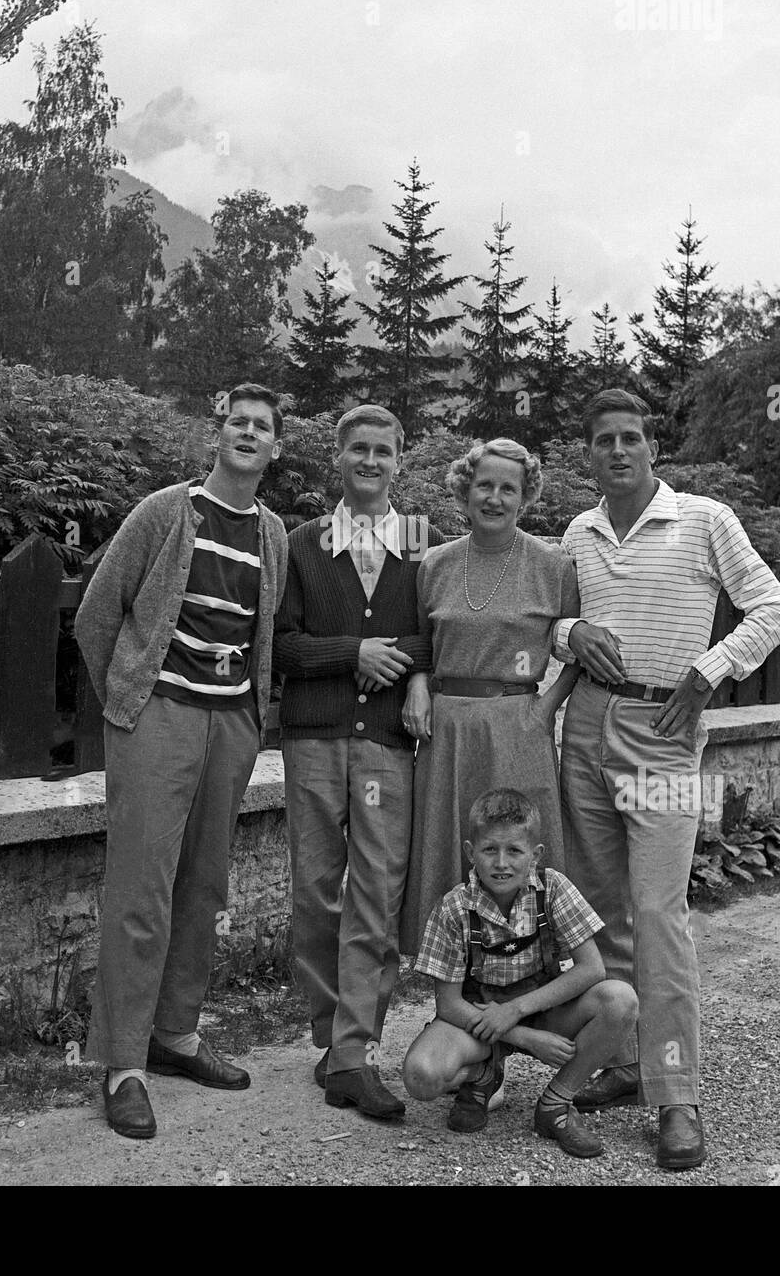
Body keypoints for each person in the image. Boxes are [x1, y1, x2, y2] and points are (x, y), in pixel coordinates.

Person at [555, 388, 780, 1170]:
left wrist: (711, 670)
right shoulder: (579, 533)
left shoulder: (703, 519)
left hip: (663, 734)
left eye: (631, 438)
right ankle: (622, 1061)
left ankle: (677, 1092)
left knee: (658, 912)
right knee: (600, 915)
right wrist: (570, 632)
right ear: (587, 454)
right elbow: (549, 624)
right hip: (585, 728)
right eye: (603, 441)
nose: (618, 451)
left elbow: (773, 607)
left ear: (652, 447)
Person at [74, 384, 289, 1139]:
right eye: (238, 421)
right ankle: (123, 1063)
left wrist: (250, 714)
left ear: (275, 448)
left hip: (231, 722)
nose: (248, 433)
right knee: (141, 886)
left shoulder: (273, 533)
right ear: (218, 432)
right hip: (156, 716)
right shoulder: (166, 512)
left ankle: (175, 1035)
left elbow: (261, 635)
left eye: (263, 427)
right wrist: (129, 698)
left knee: (204, 882)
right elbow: (98, 614)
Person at [273, 405, 445, 1121]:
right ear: (336, 459)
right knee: (316, 892)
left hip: (385, 746)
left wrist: (416, 675)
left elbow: (438, 633)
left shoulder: (423, 542)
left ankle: (354, 1050)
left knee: (376, 892)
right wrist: (354, 655)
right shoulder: (301, 543)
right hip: (314, 740)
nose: (370, 461)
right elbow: (280, 645)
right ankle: (330, 1037)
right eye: (358, 450)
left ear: (399, 461)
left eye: (384, 451)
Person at [399, 438, 581, 954]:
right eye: (485, 486)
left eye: (509, 488)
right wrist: (418, 681)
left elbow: (576, 646)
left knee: (516, 848)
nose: (495, 498)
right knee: (450, 848)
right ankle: (454, 987)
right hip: (449, 729)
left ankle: (528, 982)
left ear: (525, 497)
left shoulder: (553, 565)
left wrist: (546, 709)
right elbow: (421, 647)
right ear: (465, 491)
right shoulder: (434, 564)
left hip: (519, 725)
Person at [401, 789, 638, 1158]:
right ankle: (483, 1074)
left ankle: (556, 1105)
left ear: (535, 855)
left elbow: (593, 969)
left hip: (542, 1011)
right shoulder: (454, 909)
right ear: (469, 851)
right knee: (420, 1076)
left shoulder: (553, 888)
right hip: (477, 1021)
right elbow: (448, 1004)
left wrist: (516, 1010)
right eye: (489, 850)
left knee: (620, 1000)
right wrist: (525, 1038)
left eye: (514, 851)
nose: (501, 863)